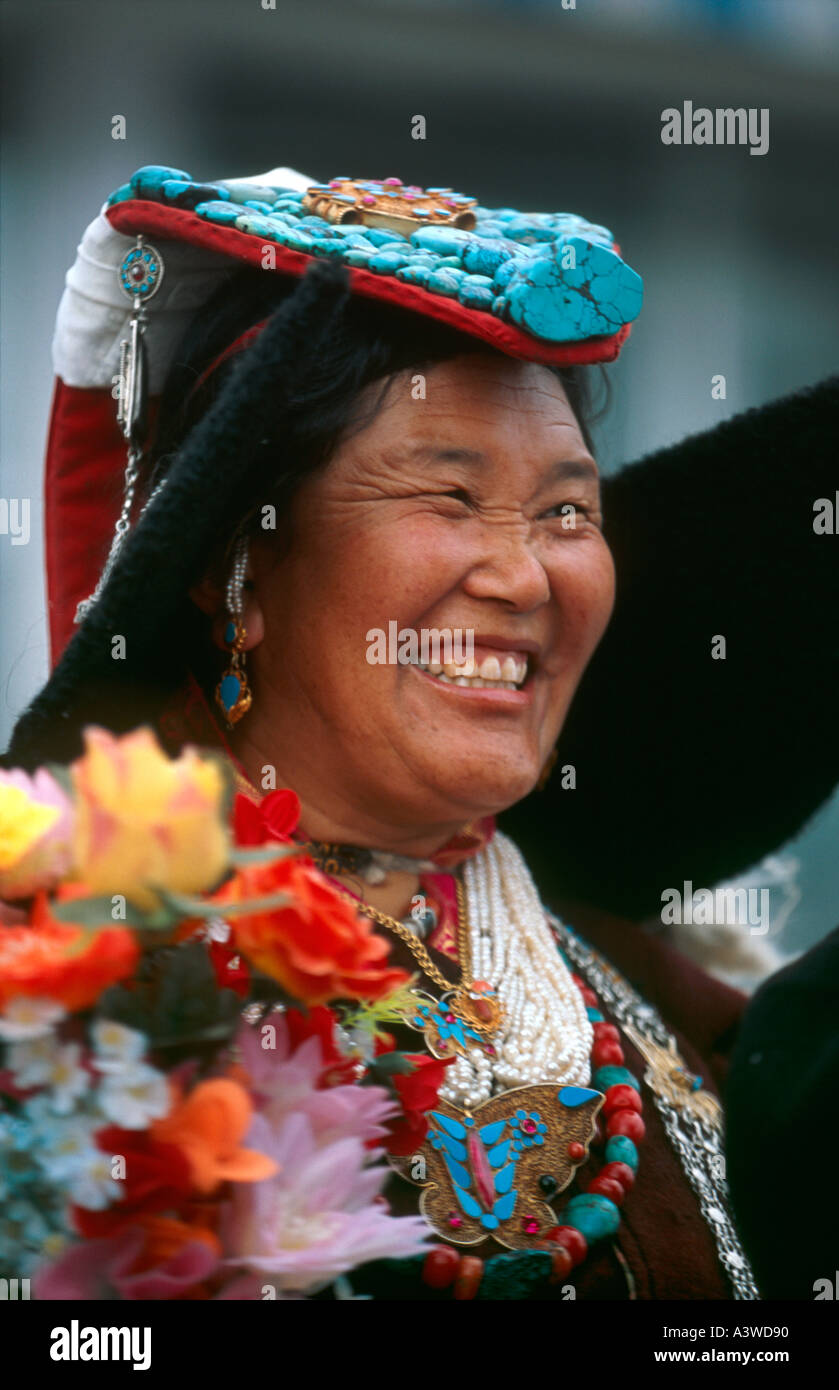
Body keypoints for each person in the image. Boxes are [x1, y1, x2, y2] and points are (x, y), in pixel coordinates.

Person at [4, 161, 834, 1301]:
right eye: (447, 498)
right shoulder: (58, 981)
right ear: (231, 563)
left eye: (565, 511)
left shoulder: (681, 1009)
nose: (523, 573)